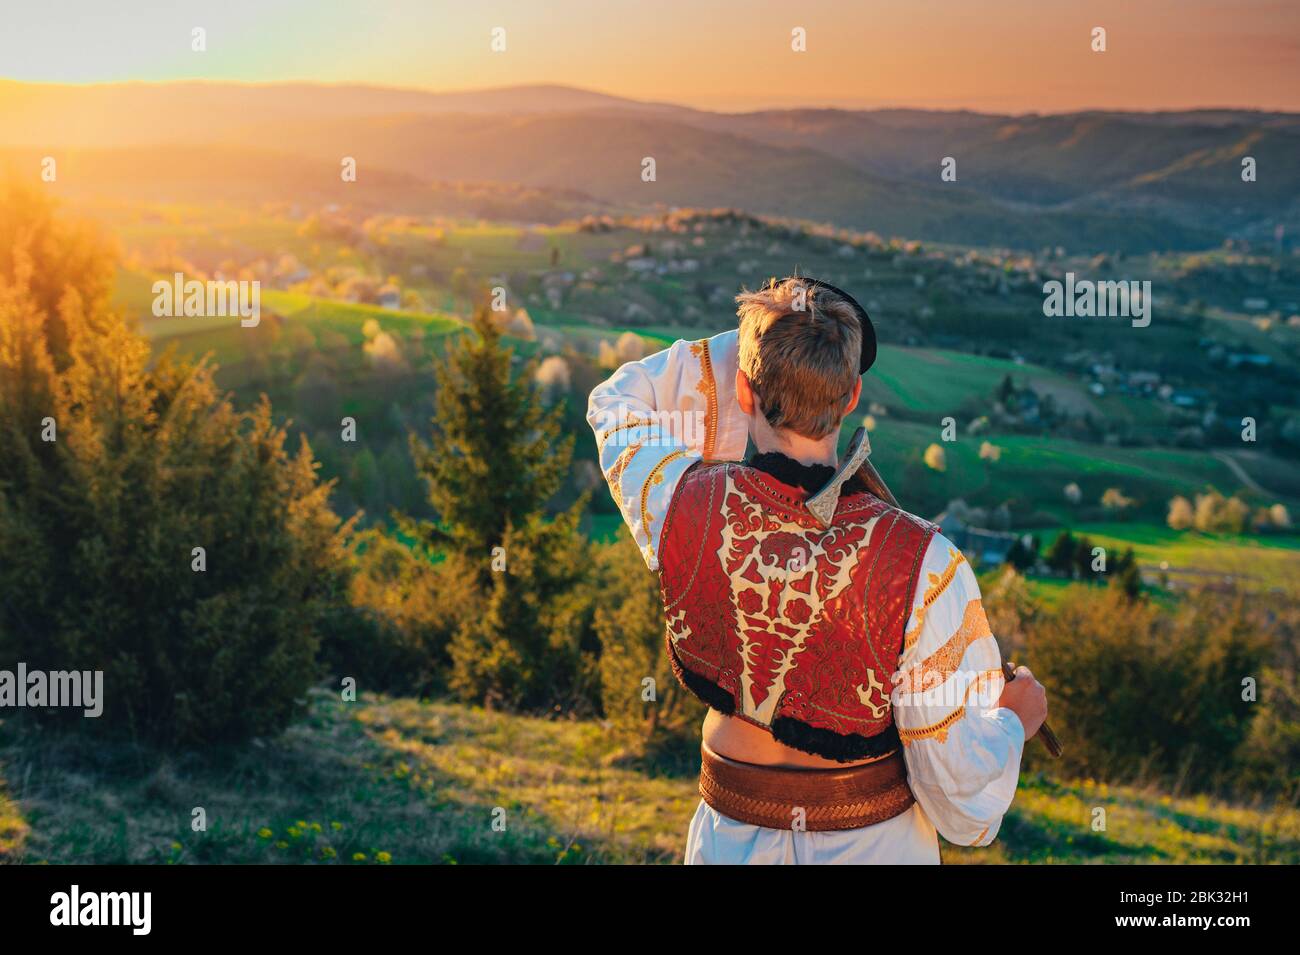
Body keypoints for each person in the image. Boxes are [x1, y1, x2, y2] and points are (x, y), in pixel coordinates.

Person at [587, 276, 1048, 864]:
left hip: (727, 843)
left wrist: (764, 348)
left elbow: (617, 401)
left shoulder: (682, 502)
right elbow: (957, 796)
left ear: (743, 391)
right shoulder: (926, 564)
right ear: (852, 395)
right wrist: (1012, 723)